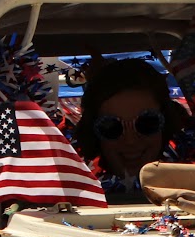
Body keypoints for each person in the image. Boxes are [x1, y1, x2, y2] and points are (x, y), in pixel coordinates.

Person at [74, 58, 185, 197]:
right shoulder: (68, 193)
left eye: (147, 123)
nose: (130, 140)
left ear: (166, 123)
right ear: (93, 132)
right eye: (111, 126)